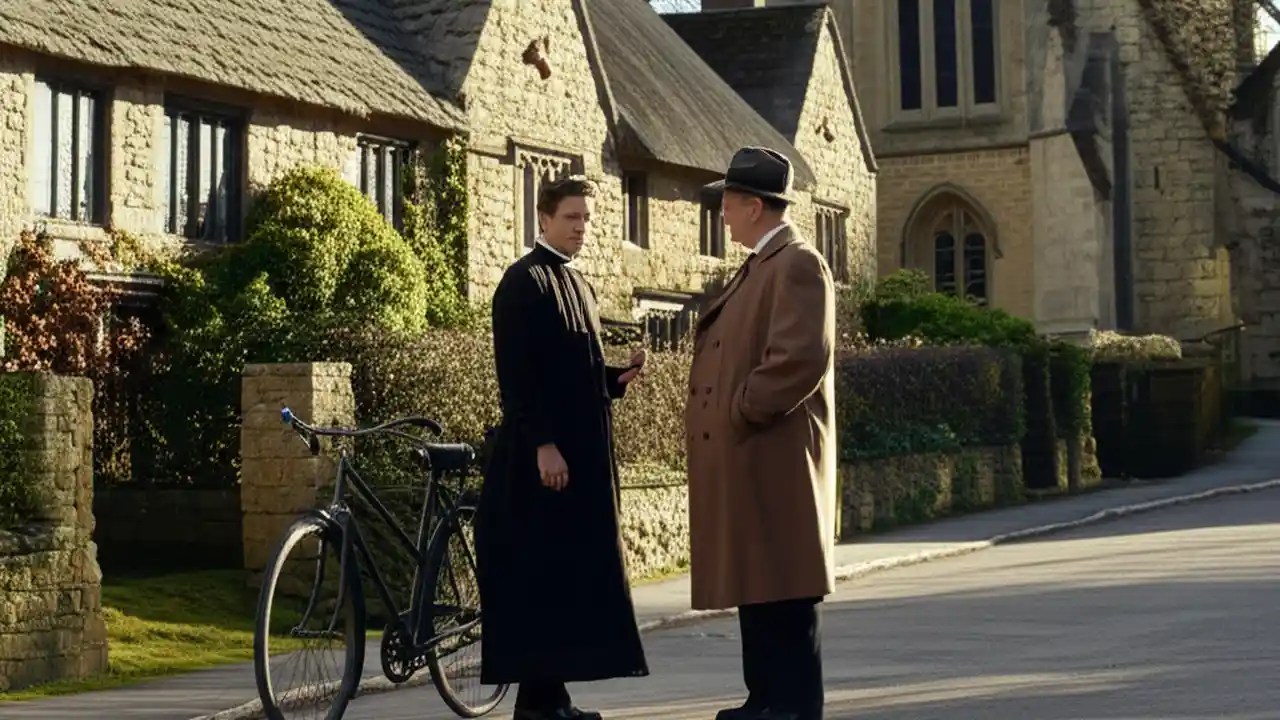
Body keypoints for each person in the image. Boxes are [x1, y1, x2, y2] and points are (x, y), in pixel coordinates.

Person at [476, 175, 650, 720]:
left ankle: (551, 700)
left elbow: (581, 375)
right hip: (540, 467)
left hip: (582, 463)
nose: (581, 228)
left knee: (566, 580)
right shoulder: (521, 284)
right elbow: (518, 379)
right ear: (544, 219)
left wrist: (618, 378)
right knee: (540, 577)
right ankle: (539, 706)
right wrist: (544, 445)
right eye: (572, 218)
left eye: (587, 219)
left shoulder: (580, 284)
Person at [685, 147, 837, 720]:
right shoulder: (760, 264)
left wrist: (739, 410)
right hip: (755, 458)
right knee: (759, 582)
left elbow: (798, 359)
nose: (721, 212)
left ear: (753, 206)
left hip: (777, 459)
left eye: (727, 201)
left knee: (785, 588)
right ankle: (767, 699)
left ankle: (793, 705)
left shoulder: (798, 262)